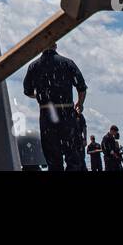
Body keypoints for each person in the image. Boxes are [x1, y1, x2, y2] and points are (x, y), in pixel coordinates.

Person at [22, 41, 87, 171]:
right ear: (55, 46)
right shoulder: (67, 63)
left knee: (52, 156)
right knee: (72, 154)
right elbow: (81, 87)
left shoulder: (34, 66)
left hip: (47, 114)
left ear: (41, 48)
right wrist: (80, 103)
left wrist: (41, 95)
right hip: (66, 111)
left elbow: (28, 91)